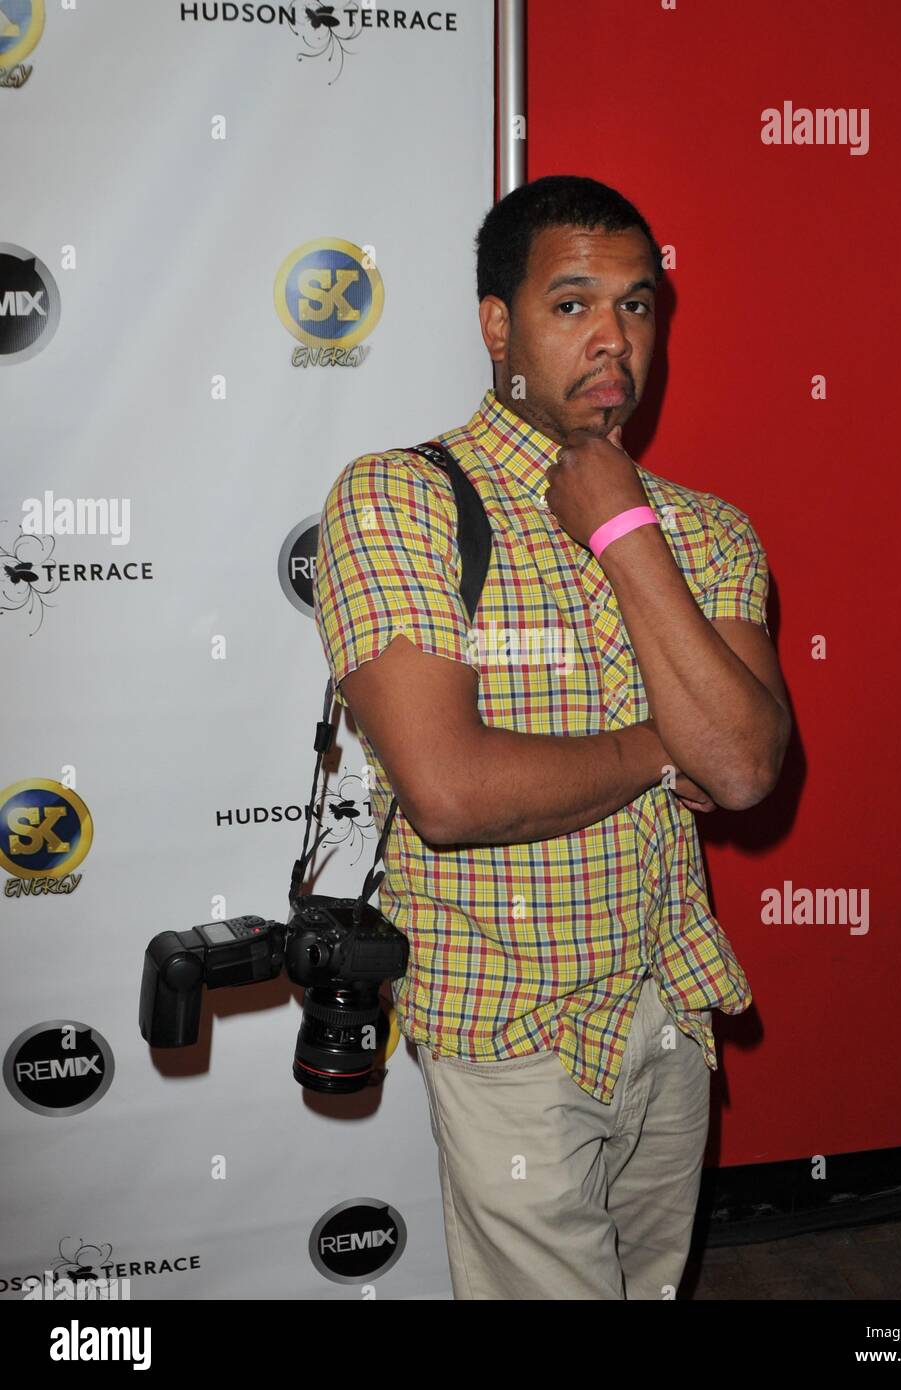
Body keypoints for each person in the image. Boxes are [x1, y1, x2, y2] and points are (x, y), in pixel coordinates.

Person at [312, 174, 792, 1300]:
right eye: (571, 304)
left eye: (636, 305)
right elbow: (450, 789)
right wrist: (657, 747)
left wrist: (623, 531)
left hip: (670, 1010)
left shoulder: (708, 530)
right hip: (504, 1023)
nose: (612, 338)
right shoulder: (397, 500)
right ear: (498, 325)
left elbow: (742, 765)